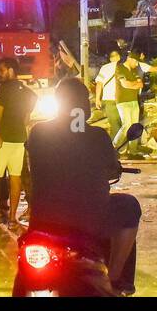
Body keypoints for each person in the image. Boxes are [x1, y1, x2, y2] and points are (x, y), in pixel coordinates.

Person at [26, 77, 141, 294]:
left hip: (43, 221)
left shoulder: (39, 132)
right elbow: (110, 168)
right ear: (84, 104)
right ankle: (114, 280)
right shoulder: (98, 136)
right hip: (90, 222)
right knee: (130, 206)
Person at [0, 57, 36, 227]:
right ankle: (12, 218)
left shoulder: (3, 89)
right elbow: (32, 102)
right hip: (19, 138)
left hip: (2, 139)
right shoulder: (24, 90)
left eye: (1, 70)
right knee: (15, 178)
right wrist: (24, 120)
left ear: (10, 70)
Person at [111, 51, 144, 158]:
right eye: (136, 61)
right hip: (123, 101)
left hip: (134, 101)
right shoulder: (120, 69)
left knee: (134, 126)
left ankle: (133, 151)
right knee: (126, 125)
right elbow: (125, 84)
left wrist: (133, 84)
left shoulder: (134, 71)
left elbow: (141, 84)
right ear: (130, 59)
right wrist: (134, 84)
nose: (137, 64)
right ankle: (113, 148)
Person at [93, 50, 121, 140]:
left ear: (110, 59)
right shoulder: (124, 66)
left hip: (109, 99)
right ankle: (124, 146)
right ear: (119, 57)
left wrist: (97, 99)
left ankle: (116, 147)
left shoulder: (104, 68)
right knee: (123, 124)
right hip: (123, 99)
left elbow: (99, 84)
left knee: (114, 124)